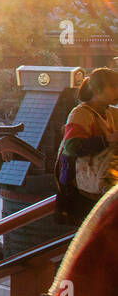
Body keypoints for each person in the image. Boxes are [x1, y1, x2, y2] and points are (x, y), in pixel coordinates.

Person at [55, 66, 118, 223]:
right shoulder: (80, 113)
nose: (117, 90)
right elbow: (71, 147)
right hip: (83, 187)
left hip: (100, 180)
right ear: (98, 89)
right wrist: (108, 140)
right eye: (113, 86)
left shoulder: (110, 112)